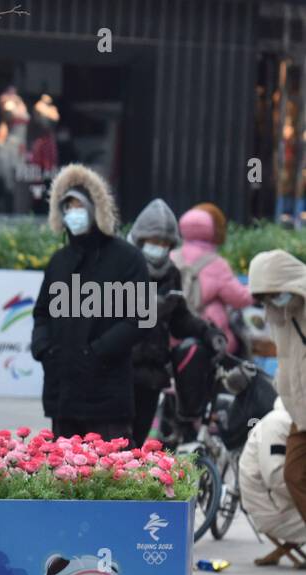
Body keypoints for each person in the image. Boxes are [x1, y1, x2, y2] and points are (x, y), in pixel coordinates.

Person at [30, 164, 148, 442]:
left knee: (112, 466)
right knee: (62, 466)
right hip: (62, 392)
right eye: (68, 207)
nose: (74, 213)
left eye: (79, 206)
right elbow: (42, 313)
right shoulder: (59, 261)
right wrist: (44, 349)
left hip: (107, 394)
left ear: (96, 209)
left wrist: (96, 352)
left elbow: (140, 318)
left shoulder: (127, 258)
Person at [126, 198, 226, 447]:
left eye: (165, 243)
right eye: (154, 241)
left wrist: (207, 332)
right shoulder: (122, 266)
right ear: (140, 238)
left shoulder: (171, 272)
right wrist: (150, 310)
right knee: (117, 444)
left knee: (136, 445)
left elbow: (180, 319)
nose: (159, 248)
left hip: (152, 374)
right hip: (121, 373)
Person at [247, 249, 306, 530]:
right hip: (300, 413)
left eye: (274, 293)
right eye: (265, 296)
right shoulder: (279, 315)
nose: (271, 300)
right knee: (293, 473)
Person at [177, 203, 252, 357]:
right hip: (211, 339)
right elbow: (240, 299)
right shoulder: (217, 264)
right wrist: (254, 290)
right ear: (212, 229)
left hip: (176, 336)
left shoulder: (172, 257)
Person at [239, 398, 306, 568]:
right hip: (271, 509)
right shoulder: (277, 424)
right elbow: (274, 477)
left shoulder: (288, 422)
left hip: (276, 502)